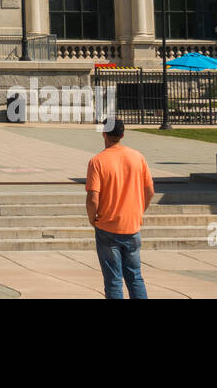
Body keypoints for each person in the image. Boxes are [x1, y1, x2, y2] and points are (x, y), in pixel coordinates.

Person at [86, 118, 155, 299]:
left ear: (104, 134)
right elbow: (150, 191)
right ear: (122, 135)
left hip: (107, 226)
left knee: (114, 280)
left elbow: (93, 196)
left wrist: (92, 218)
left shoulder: (97, 161)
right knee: (135, 277)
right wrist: (138, 210)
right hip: (132, 226)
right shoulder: (137, 157)